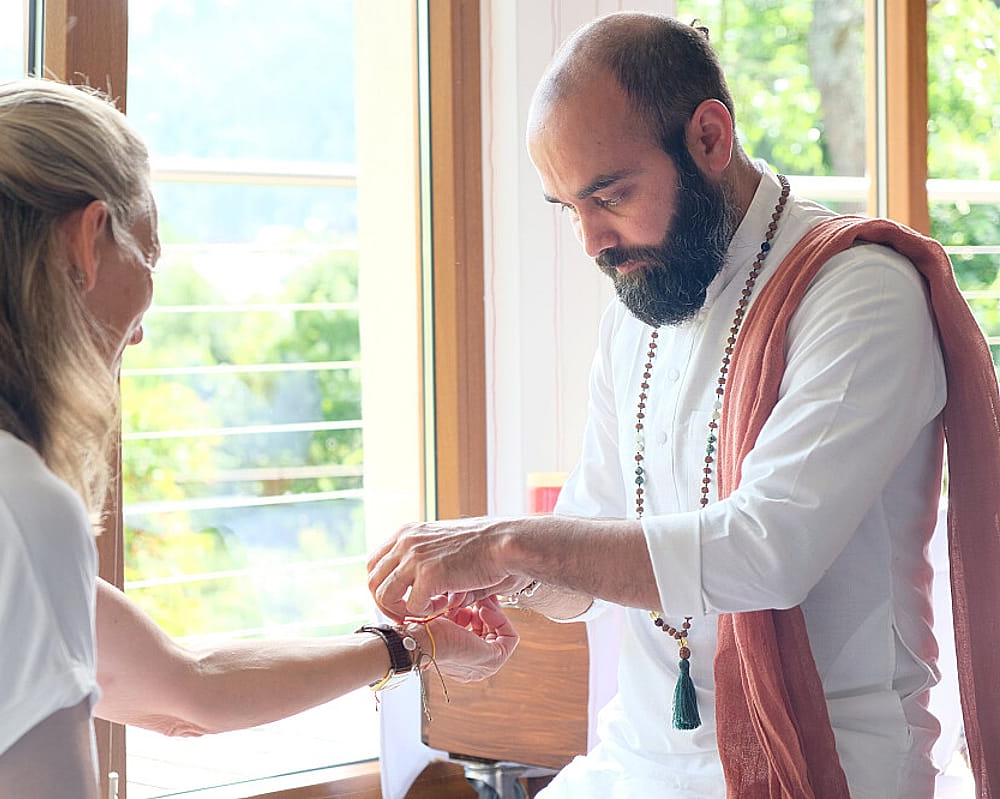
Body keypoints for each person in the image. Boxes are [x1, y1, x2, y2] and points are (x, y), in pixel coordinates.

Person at [0, 78, 517, 799]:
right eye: (148, 257)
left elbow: (185, 689)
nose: (141, 328)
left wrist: (410, 645)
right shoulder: (8, 504)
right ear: (87, 239)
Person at [367, 11, 1000, 799]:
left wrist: (506, 546)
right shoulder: (638, 309)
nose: (591, 241)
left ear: (708, 138)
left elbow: (769, 552)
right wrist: (498, 584)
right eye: (568, 208)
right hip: (634, 759)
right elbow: (582, 563)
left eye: (611, 195)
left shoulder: (862, 291)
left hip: (828, 760)